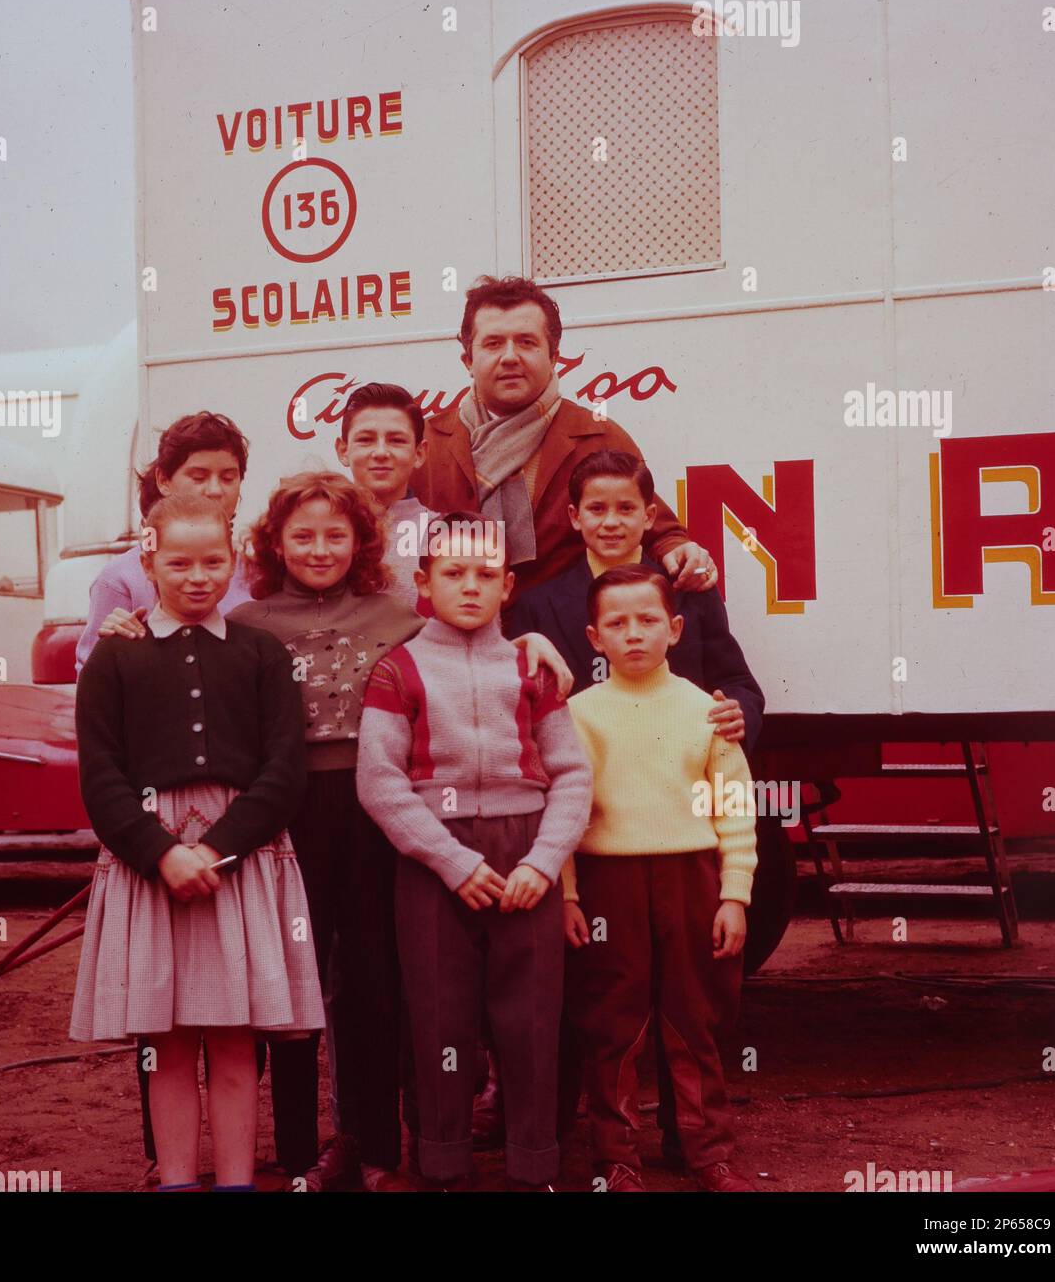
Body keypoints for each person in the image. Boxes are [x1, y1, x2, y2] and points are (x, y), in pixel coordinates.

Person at [103, 473, 571, 1189]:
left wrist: (533, 637)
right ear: (273, 543)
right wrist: (123, 624)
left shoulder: (397, 613)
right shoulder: (250, 624)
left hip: (378, 809)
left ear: (360, 542)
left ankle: (379, 1146)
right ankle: (292, 1153)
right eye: (302, 535)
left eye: (335, 535)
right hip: (283, 812)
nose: (319, 549)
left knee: (380, 982)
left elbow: (468, 624)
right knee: (290, 981)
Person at [70, 494, 322, 1192]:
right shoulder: (114, 662)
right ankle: (178, 1179)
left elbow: (284, 771)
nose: (196, 576)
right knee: (170, 1049)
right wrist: (162, 852)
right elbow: (102, 779)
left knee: (238, 1047)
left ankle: (238, 1182)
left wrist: (216, 850)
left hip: (240, 864)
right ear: (147, 562)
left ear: (235, 559)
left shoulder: (261, 652)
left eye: (213, 560)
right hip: (150, 865)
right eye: (177, 562)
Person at [356, 511, 593, 1190]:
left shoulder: (532, 667)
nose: (469, 587)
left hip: (524, 856)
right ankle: (443, 1162)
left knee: (530, 1017)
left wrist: (543, 864)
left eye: (485, 575)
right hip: (435, 860)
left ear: (507, 588)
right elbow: (380, 781)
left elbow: (572, 774)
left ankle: (533, 1165)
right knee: (440, 1016)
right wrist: (451, 862)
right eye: (452, 574)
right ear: (423, 583)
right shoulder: (397, 669)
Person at [563, 565, 758, 1192]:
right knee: (611, 1020)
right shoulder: (578, 716)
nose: (634, 635)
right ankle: (616, 1159)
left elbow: (733, 806)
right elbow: (564, 813)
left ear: (675, 629)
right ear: (595, 638)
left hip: (689, 879)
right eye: (617, 624)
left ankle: (708, 1154)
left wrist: (734, 895)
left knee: (693, 1017)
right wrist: (567, 892)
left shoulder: (710, 714)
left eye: (648, 620)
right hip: (606, 884)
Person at [408, 274, 717, 601]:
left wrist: (681, 550)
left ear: (554, 356)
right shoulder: (424, 445)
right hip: (453, 640)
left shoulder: (598, 436)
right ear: (468, 361)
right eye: (493, 343)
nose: (510, 357)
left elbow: (657, 531)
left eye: (527, 342)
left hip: (564, 641)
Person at [505, 450, 764, 751]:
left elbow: (736, 680)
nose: (611, 522)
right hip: (584, 773)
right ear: (575, 517)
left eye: (626, 508)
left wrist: (738, 712)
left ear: (649, 516)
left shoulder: (688, 589)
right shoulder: (538, 605)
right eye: (597, 509)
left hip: (677, 762)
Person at [74, 411, 253, 673]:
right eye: (199, 477)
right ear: (163, 480)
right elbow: (90, 680)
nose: (215, 490)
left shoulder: (257, 571)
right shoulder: (119, 579)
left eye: (228, 478)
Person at [334, 382, 436, 610]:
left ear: (419, 453)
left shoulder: (446, 534)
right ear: (343, 451)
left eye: (396, 440)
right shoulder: (317, 532)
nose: (381, 452)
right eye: (366, 439)